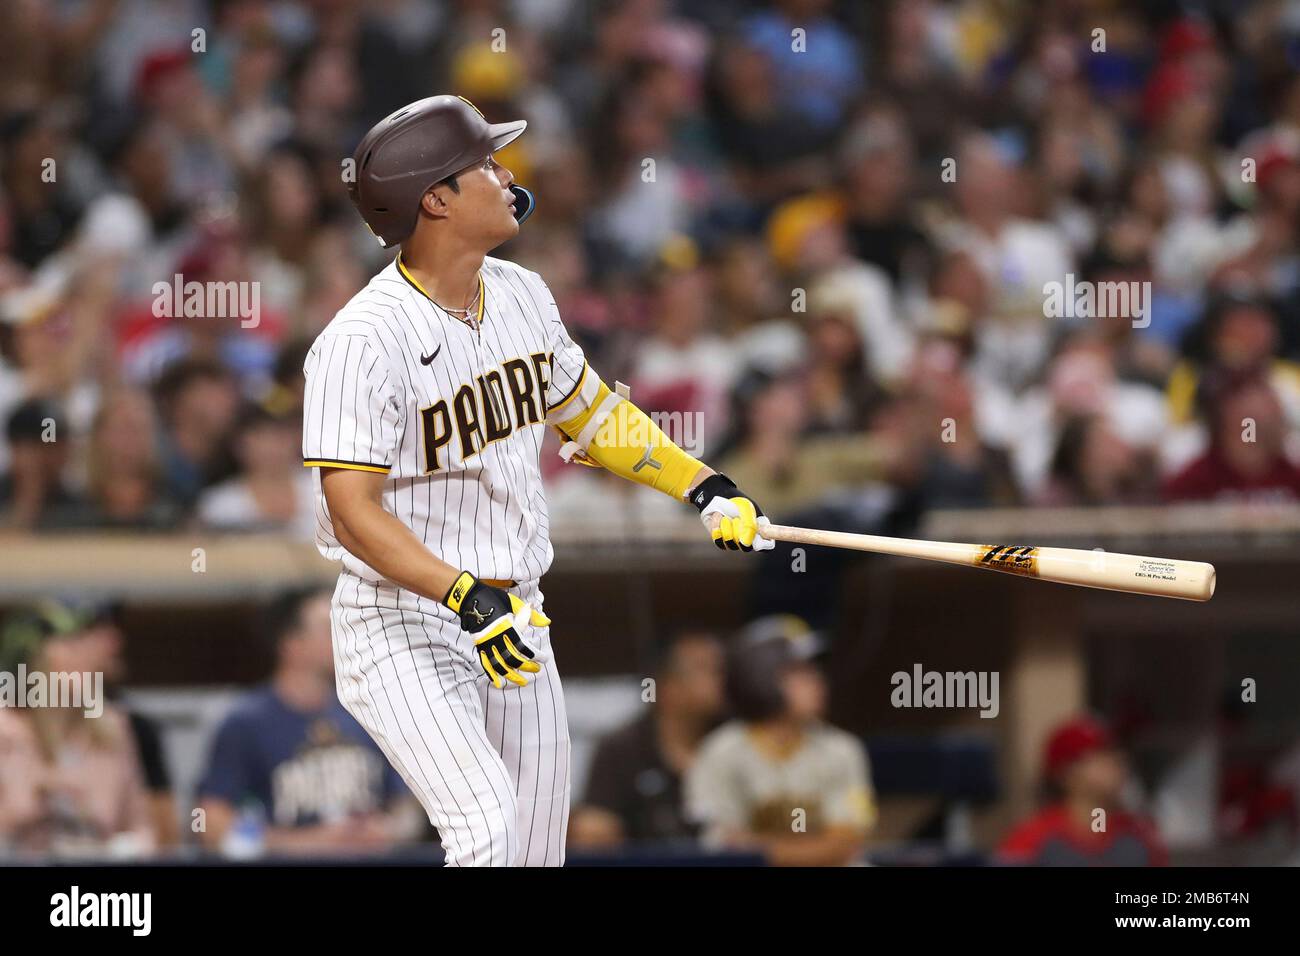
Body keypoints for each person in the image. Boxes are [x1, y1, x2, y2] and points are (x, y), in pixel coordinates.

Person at [303, 95, 775, 867]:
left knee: (531, 853)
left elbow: (593, 416)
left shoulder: (521, 294)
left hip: (515, 614)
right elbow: (351, 512)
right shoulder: (361, 341)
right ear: (435, 199)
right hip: (404, 621)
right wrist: (462, 594)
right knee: (486, 827)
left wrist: (705, 486)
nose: (506, 174)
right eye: (485, 164)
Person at [195, 588, 421, 857]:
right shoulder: (246, 723)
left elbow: (408, 806)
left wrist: (389, 830)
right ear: (291, 643)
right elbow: (211, 823)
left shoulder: (367, 712)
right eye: (330, 627)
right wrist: (308, 842)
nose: (345, 636)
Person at [684, 615, 876, 867]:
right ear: (758, 674)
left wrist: (764, 847)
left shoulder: (842, 749)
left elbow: (845, 844)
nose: (816, 682)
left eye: (814, 670)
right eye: (798, 672)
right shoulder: (720, 751)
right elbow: (727, 849)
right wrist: (812, 848)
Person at [0, 602, 155, 858]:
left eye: (83, 645)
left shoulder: (113, 728)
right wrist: (36, 802)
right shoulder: (6, 732)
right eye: (70, 647)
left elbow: (142, 829)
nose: (84, 658)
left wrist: (118, 849)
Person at [569, 631, 725, 849]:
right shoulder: (622, 749)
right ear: (667, 686)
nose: (721, 679)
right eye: (705, 669)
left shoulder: (734, 739)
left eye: (720, 669)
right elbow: (594, 827)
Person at [998, 716, 1167, 866]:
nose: (1116, 761)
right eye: (1100, 754)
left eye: (1116, 752)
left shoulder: (1141, 835)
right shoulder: (1031, 839)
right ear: (1065, 772)